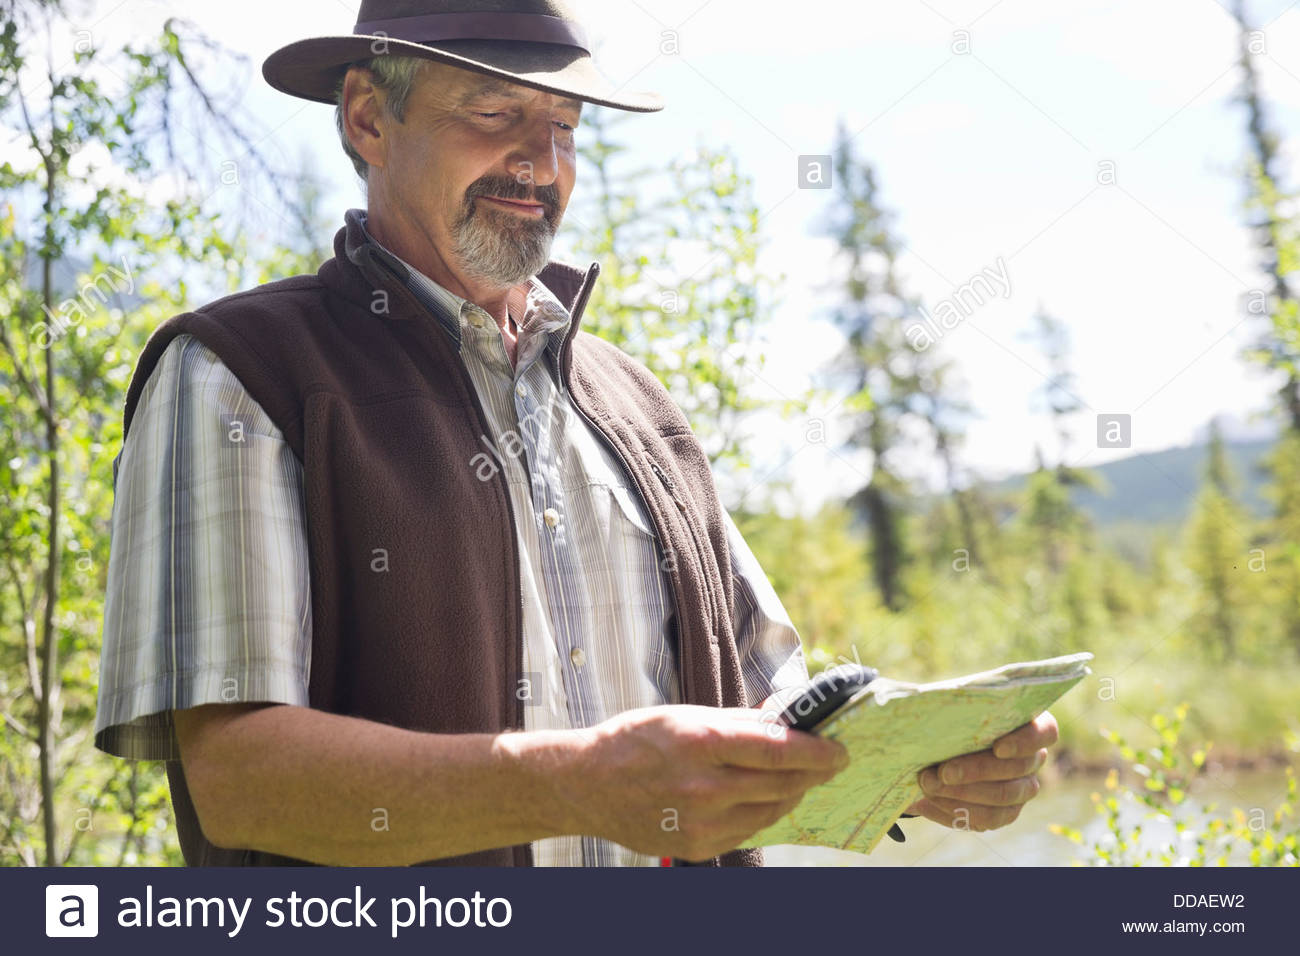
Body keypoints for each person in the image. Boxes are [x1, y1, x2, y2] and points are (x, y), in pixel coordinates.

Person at [93, 0, 1057, 868]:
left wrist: (926, 766)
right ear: (367, 118)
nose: (538, 162)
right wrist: (579, 779)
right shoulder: (239, 372)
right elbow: (241, 781)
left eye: (562, 126)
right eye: (493, 114)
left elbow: (772, 703)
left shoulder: (639, 408)